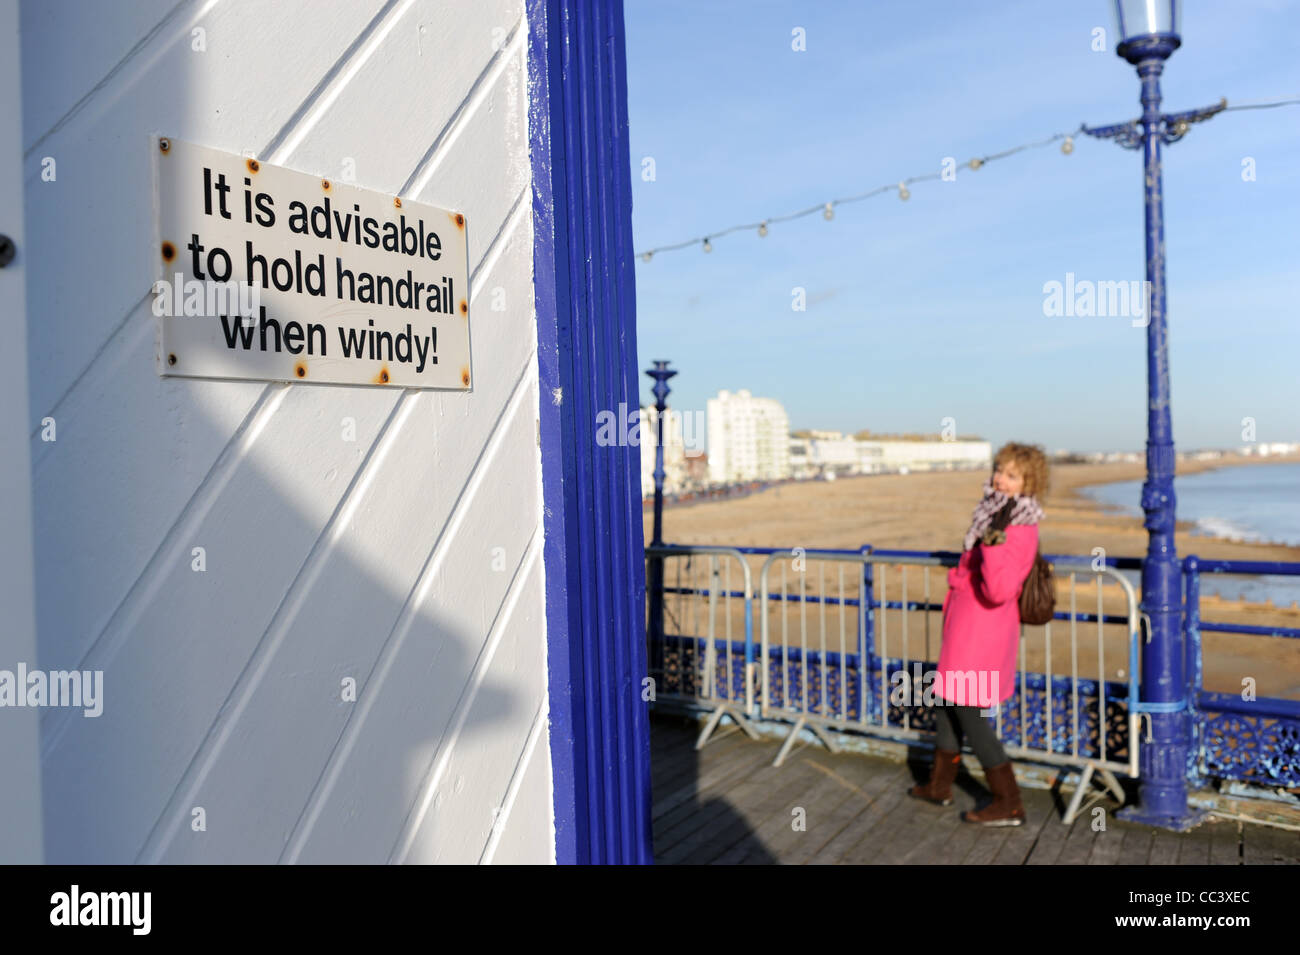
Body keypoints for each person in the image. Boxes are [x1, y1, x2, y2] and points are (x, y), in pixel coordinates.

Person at [907, 442, 1048, 826]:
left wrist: (991, 547)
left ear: (1028, 483)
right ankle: (939, 786)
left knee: (968, 710)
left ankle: (1009, 802)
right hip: (968, 623)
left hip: (982, 629)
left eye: (1012, 474)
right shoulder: (995, 513)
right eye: (999, 469)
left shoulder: (1016, 524)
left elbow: (999, 589)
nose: (1000, 478)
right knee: (946, 700)